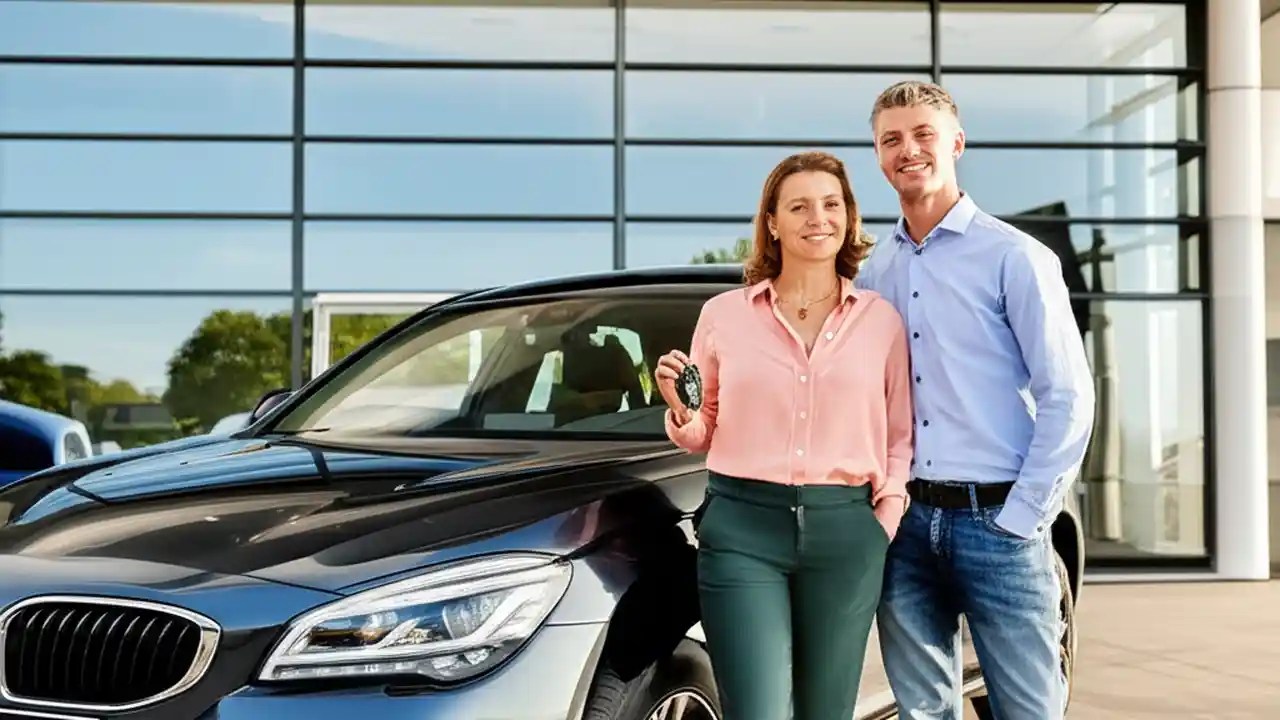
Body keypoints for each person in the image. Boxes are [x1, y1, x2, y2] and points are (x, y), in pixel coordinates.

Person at [855, 80, 1096, 720]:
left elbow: (1068, 396)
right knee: (921, 712)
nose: (908, 150)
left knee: (1028, 710)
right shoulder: (875, 272)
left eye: (923, 134)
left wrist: (1024, 517)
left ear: (956, 143)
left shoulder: (1014, 256)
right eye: (891, 139)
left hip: (999, 523)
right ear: (878, 156)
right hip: (906, 529)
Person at [654, 150, 914, 720]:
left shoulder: (881, 321)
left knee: (826, 711)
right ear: (772, 222)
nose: (817, 218)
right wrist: (679, 410)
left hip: (846, 532)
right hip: (742, 530)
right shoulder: (724, 315)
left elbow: (899, 434)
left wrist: (884, 521)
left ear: (848, 216)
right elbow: (703, 428)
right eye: (799, 207)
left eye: (831, 204)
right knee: (759, 711)